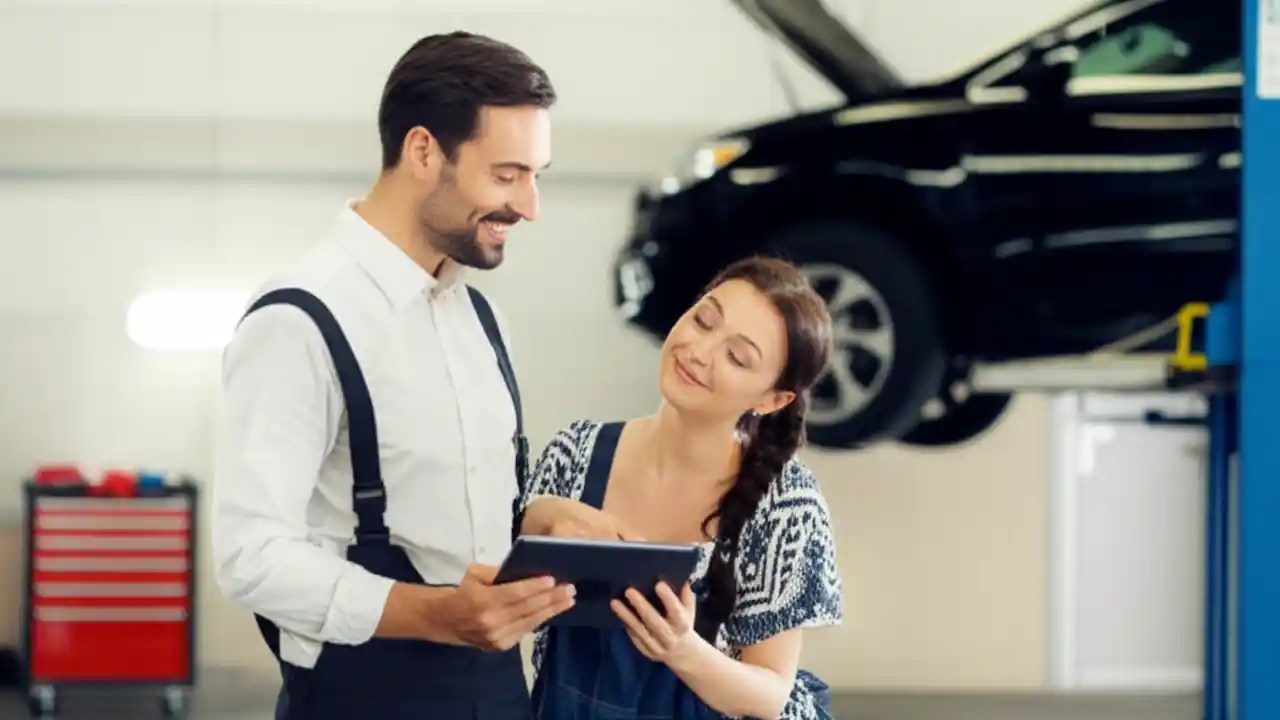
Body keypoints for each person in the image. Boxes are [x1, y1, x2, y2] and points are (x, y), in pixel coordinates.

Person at [211, 31, 575, 720]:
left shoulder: (478, 318)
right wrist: (437, 615)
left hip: (498, 690)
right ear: (421, 151)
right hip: (363, 698)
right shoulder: (302, 318)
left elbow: (447, 513)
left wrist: (535, 520)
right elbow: (249, 554)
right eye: (506, 174)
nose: (530, 206)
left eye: (537, 175)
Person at [518, 256, 844, 720]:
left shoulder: (787, 502)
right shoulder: (577, 452)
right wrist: (543, 514)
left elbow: (770, 695)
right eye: (703, 320)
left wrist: (681, 648)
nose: (699, 351)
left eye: (737, 357)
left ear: (772, 400)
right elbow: (503, 593)